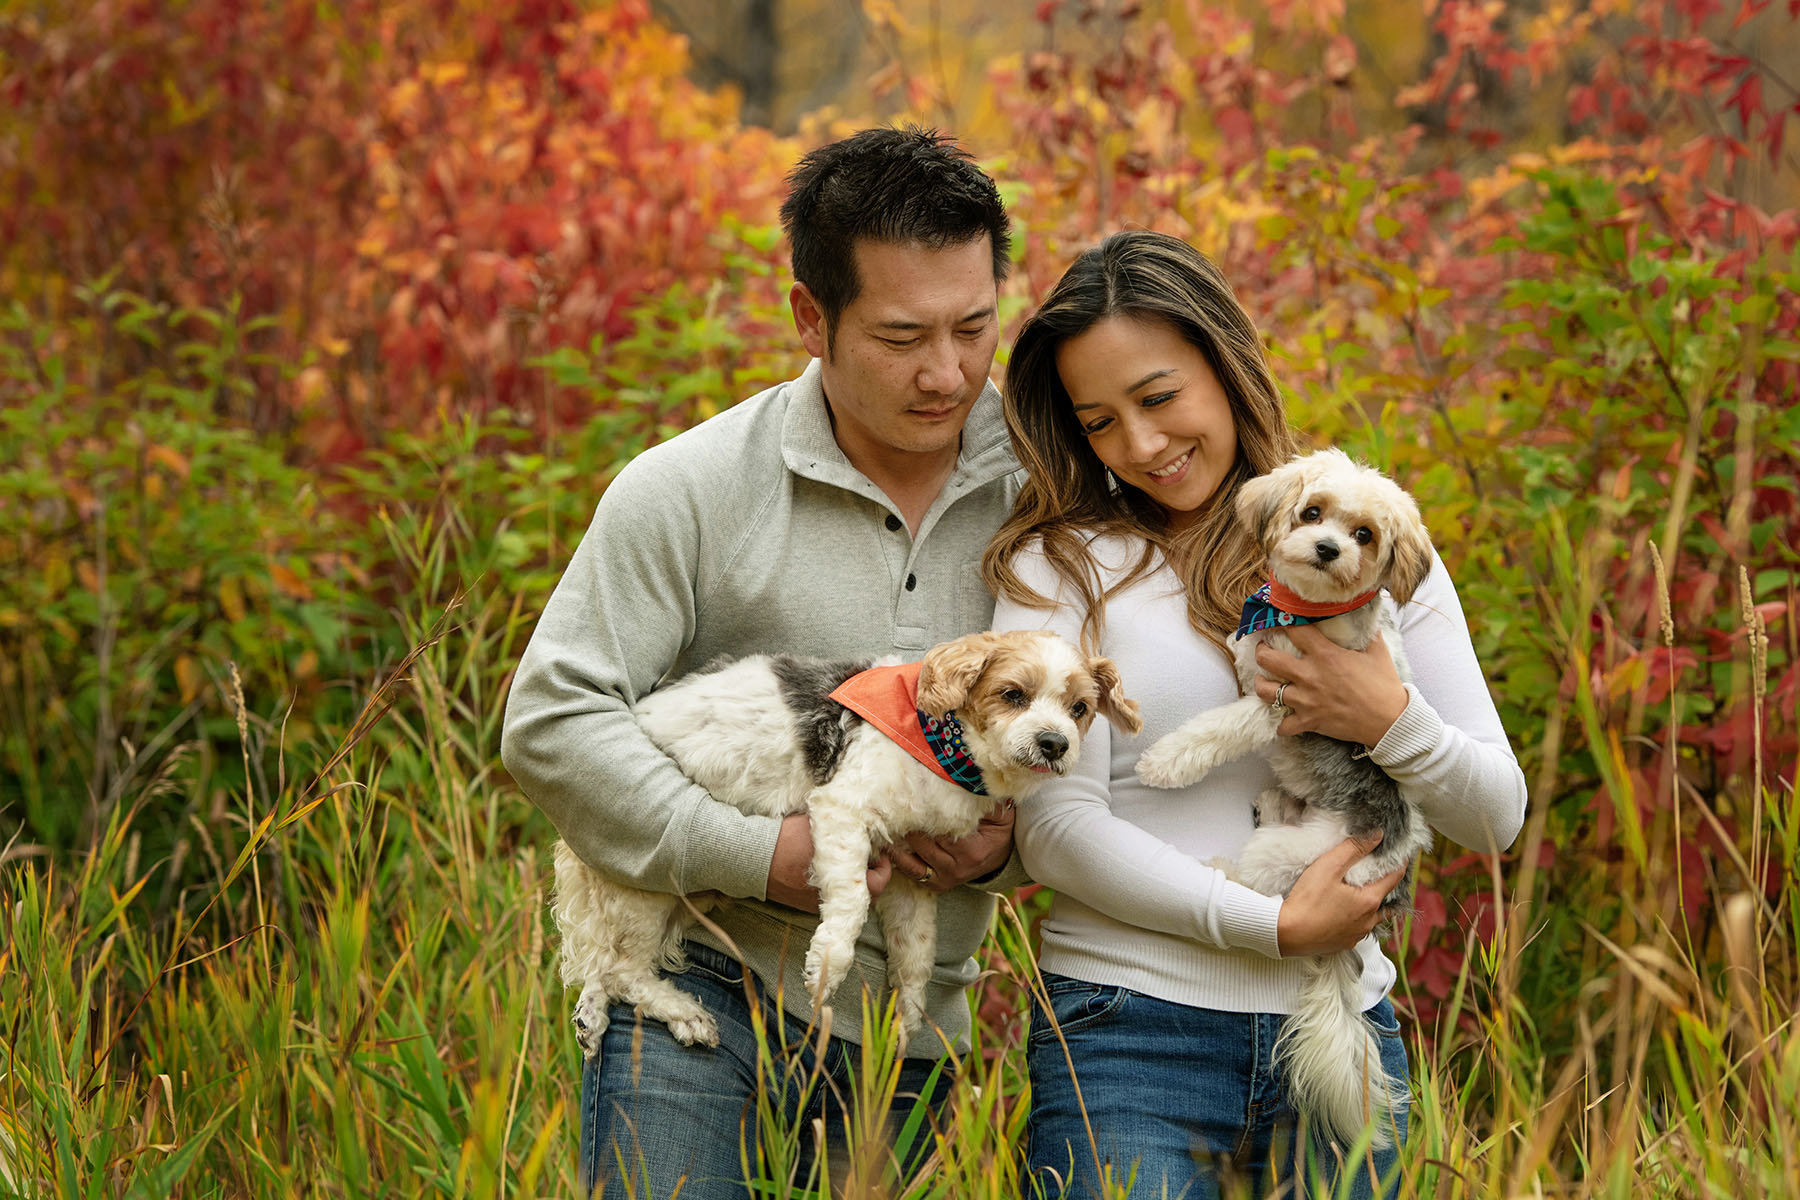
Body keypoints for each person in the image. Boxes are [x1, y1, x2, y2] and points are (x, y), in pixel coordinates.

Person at [500, 126, 1030, 1197]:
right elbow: (553, 721)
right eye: (901, 335)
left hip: (911, 1032)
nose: (947, 372)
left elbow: (1106, 729)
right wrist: (754, 853)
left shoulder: (1052, 495)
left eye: (975, 326)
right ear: (810, 317)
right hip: (700, 977)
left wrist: (1005, 847)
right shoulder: (688, 489)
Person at [982, 230, 1528, 1199]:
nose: (1142, 446)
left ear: (1226, 366)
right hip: (1129, 1037)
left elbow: (1495, 817)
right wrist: (1267, 925)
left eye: (1159, 398)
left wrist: (1388, 718)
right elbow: (1055, 827)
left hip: (1340, 1026)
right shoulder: (1060, 566)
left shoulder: (1371, 543)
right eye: (1100, 422)